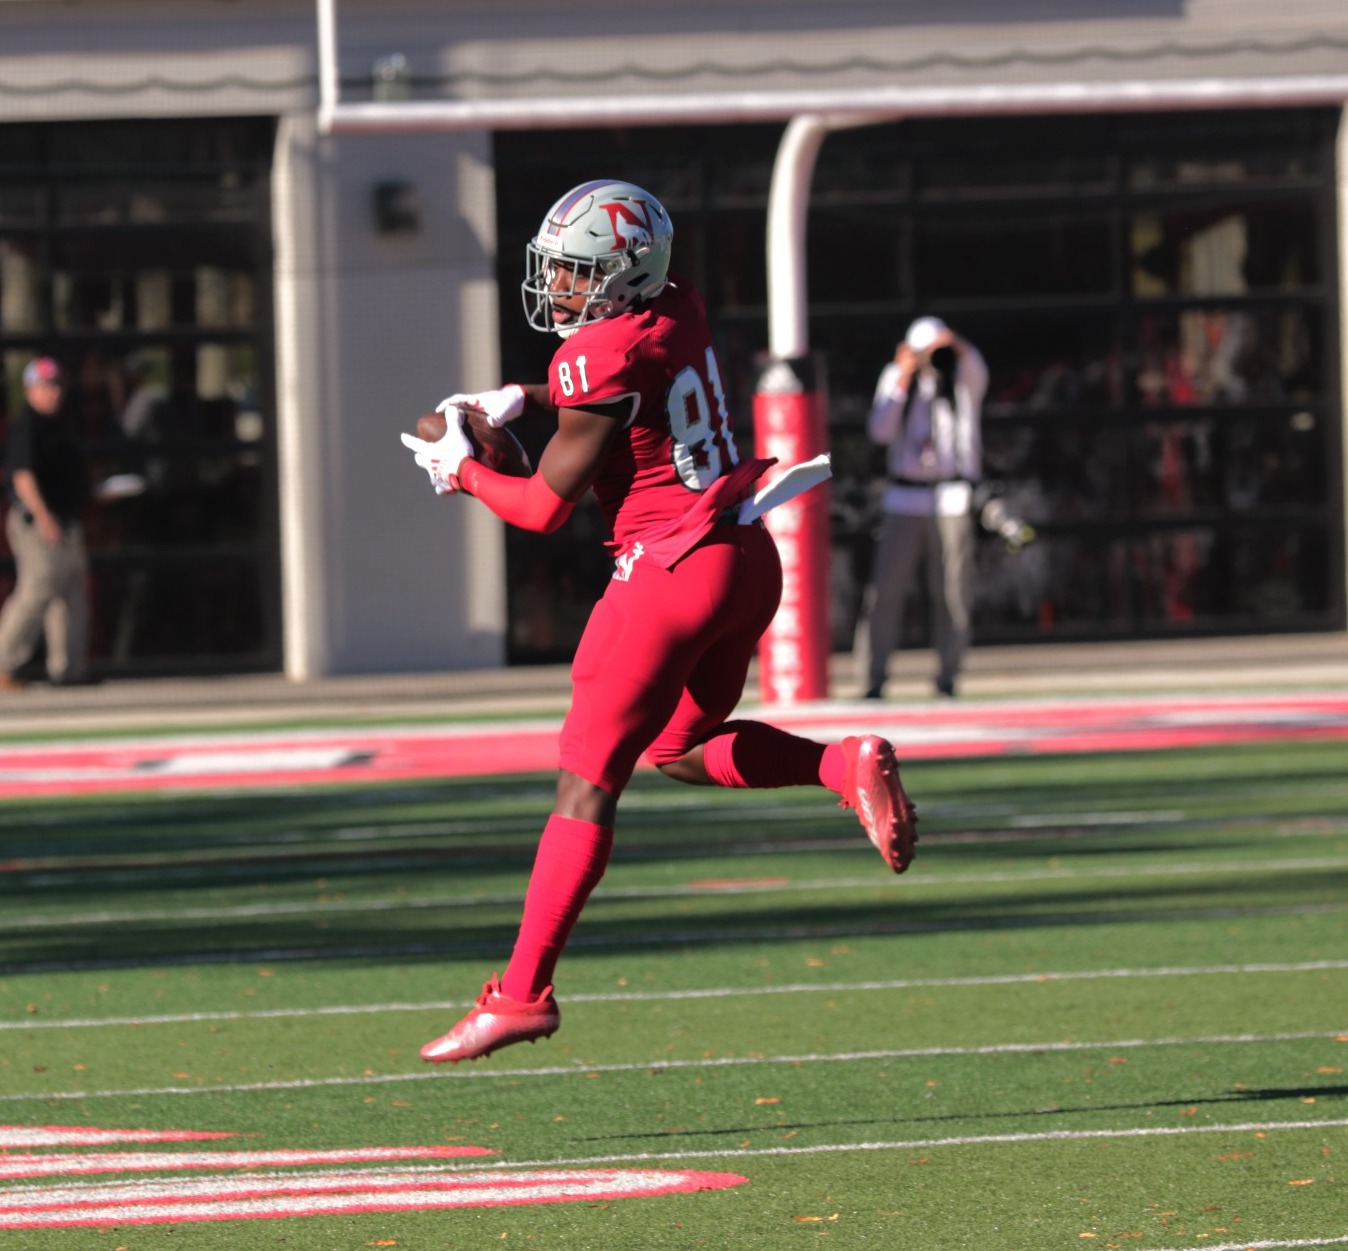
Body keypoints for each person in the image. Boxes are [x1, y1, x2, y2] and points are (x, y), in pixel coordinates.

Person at [401, 179, 919, 1064]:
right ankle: (842, 762)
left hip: (666, 572)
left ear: (618, 276)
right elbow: (619, 391)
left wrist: (463, 470)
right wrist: (522, 401)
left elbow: (541, 509)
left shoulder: (594, 355)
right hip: (745, 552)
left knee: (585, 783)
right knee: (676, 748)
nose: (558, 288)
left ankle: (522, 992)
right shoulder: (677, 304)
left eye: (574, 273)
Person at [860, 316, 988, 700]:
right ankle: (873, 679)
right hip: (905, 496)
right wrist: (904, 374)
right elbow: (879, 430)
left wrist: (955, 346)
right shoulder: (897, 378)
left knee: (952, 592)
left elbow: (977, 371)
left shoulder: (961, 377)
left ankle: (948, 678)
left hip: (953, 496)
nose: (933, 360)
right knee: (884, 591)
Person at [0, 357, 95, 689]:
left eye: (57, 385)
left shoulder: (59, 424)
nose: (54, 392)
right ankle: (3, 662)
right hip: (40, 523)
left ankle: (67, 668)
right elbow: (23, 476)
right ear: (30, 389)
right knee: (36, 591)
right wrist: (44, 516)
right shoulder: (27, 424)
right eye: (46, 385)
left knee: (70, 594)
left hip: (66, 520)